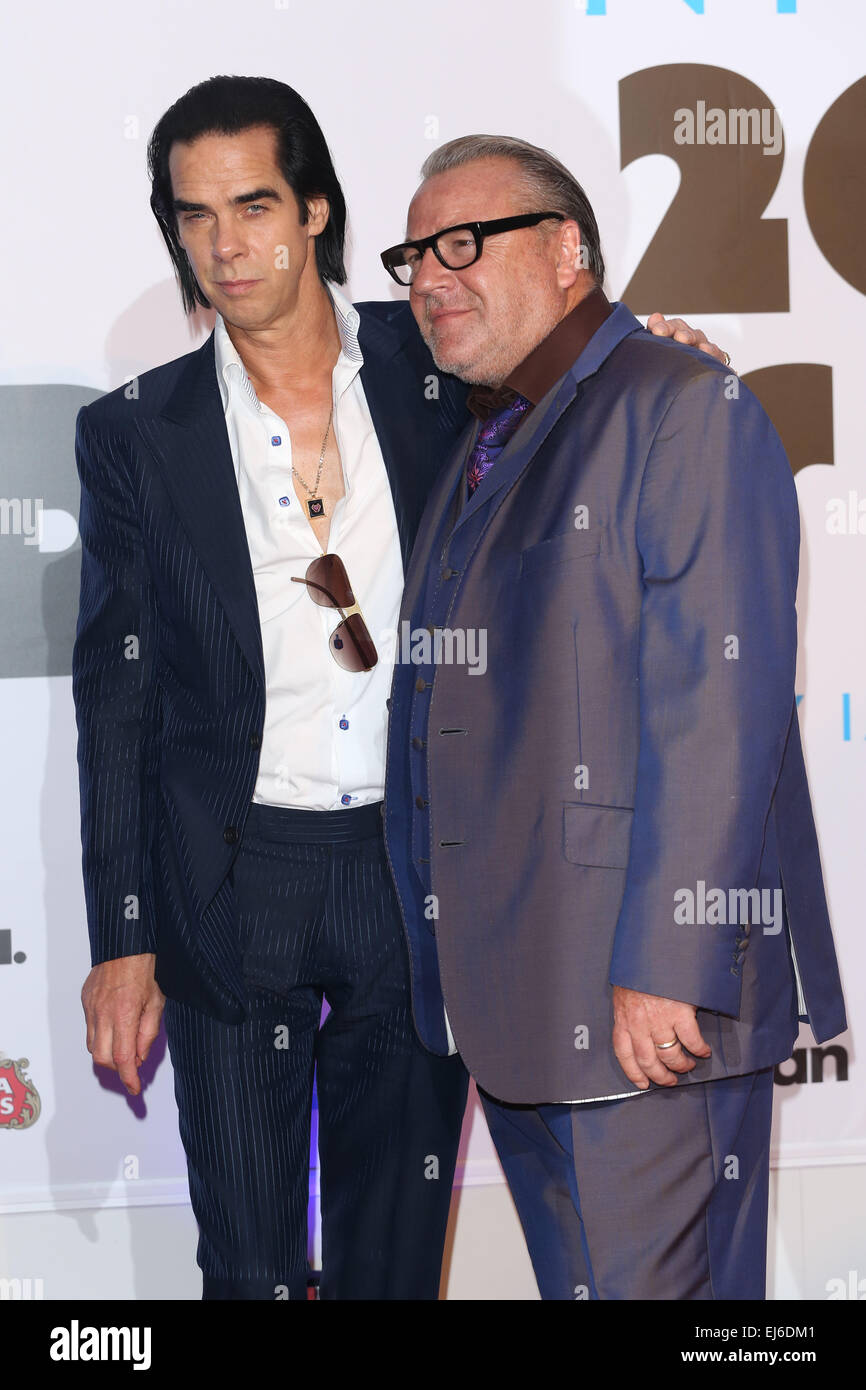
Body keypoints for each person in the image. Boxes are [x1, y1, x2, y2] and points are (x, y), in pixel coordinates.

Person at [73, 74, 720, 1301]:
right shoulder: (133, 434)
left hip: (417, 871)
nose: (226, 243)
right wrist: (124, 934)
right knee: (253, 1267)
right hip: (230, 880)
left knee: (391, 1262)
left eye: (254, 204)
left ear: (315, 207)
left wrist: (664, 360)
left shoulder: (437, 365)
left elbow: (586, 388)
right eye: (194, 215)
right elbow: (119, 699)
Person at [380, 134, 847, 1300]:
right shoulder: (482, 438)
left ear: (569, 250)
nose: (430, 276)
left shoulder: (681, 404)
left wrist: (666, 967)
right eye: (412, 256)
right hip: (523, 1009)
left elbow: (717, 712)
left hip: (638, 1016)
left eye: (462, 243)